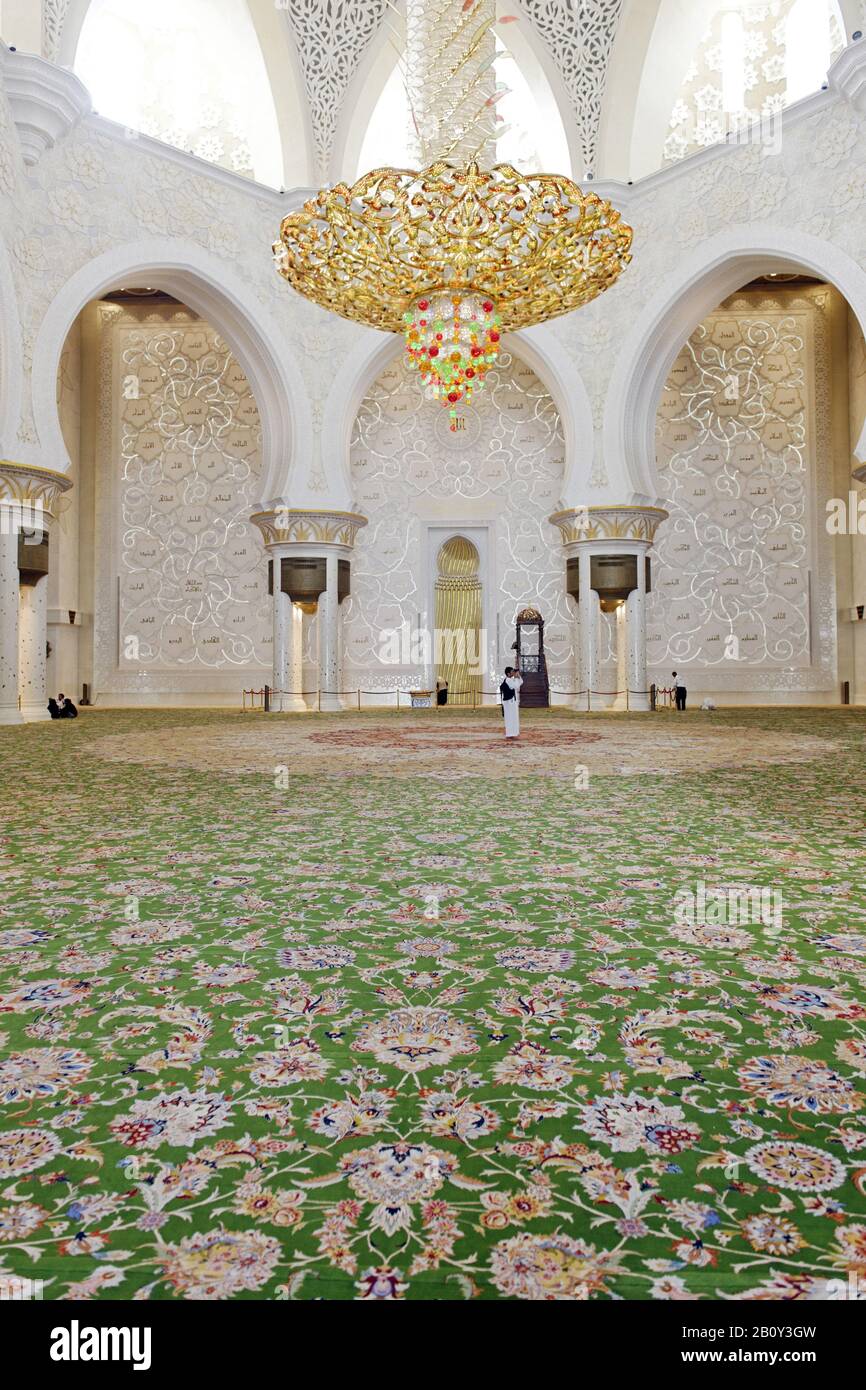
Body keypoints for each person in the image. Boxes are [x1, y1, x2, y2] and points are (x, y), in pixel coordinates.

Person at [500, 665, 523, 739]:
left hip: (512, 702)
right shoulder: (508, 680)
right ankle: (509, 734)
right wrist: (516, 678)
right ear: (508, 674)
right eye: (512, 672)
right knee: (510, 718)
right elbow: (516, 686)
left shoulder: (511, 679)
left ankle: (513, 733)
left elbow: (520, 683)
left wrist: (518, 676)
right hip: (509, 702)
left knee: (514, 717)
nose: (513, 673)